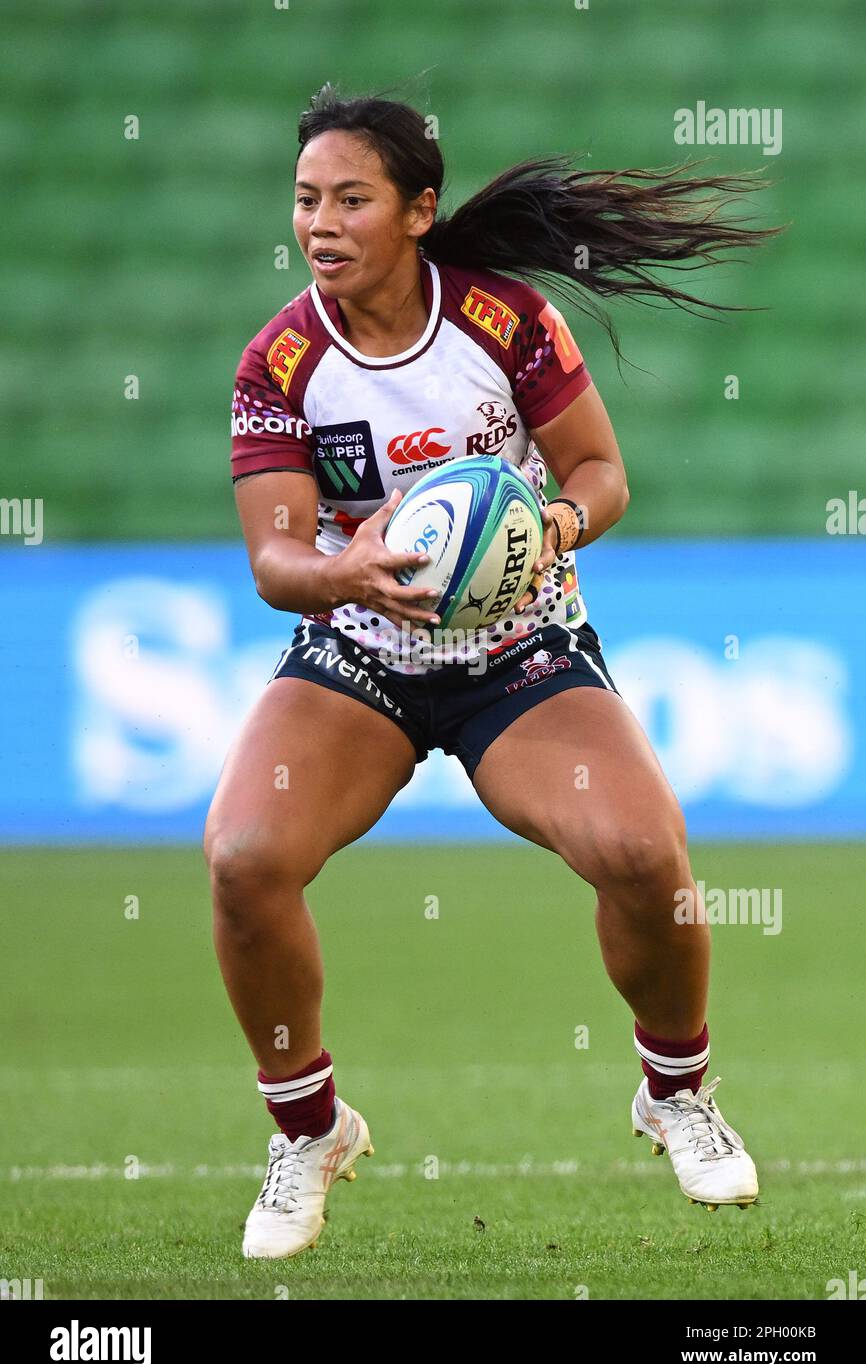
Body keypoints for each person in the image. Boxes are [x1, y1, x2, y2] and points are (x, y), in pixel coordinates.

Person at [205, 82, 780, 1259]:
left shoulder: (503, 321)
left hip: (518, 646)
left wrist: (545, 530)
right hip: (362, 646)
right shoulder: (279, 360)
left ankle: (675, 1091)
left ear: (418, 210)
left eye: (349, 198)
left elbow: (601, 475)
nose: (319, 221)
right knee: (242, 857)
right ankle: (308, 1128)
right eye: (306, 198)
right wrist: (345, 574)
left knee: (641, 854)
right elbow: (273, 556)